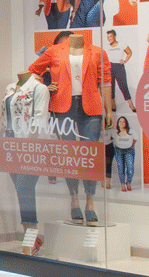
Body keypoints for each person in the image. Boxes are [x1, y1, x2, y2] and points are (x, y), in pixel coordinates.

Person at [26, 32, 113, 225]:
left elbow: (106, 82)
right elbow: (33, 71)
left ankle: (90, 203)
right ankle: (74, 199)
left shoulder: (98, 52)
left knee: (89, 157)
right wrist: (43, 88)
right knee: (70, 157)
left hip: (90, 108)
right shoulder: (54, 51)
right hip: (62, 107)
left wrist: (109, 111)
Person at [104, 29, 133, 106]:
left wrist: (125, 60)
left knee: (123, 85)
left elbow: (129, 52)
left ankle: (131, 104)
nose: (109, 38)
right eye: (108, 37)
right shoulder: (106, 47)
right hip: (109, 67)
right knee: (111, 86)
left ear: (115, 36)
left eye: (111, 36)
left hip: (119, 67)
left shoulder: (122, 44)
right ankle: (113, 104)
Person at [111, 116, 136, 192]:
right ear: (118, 123)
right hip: (119, 151)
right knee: (121, 168)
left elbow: (136, 138)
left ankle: (128, 182)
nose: (121, 123)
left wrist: (132, 145)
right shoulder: (114, 132)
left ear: (126, 123)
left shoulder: (130, 131)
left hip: (129, 150)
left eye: (123, 122)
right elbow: (110, 140)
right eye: (120, 122)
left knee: (130, 167)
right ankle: (122, 184)